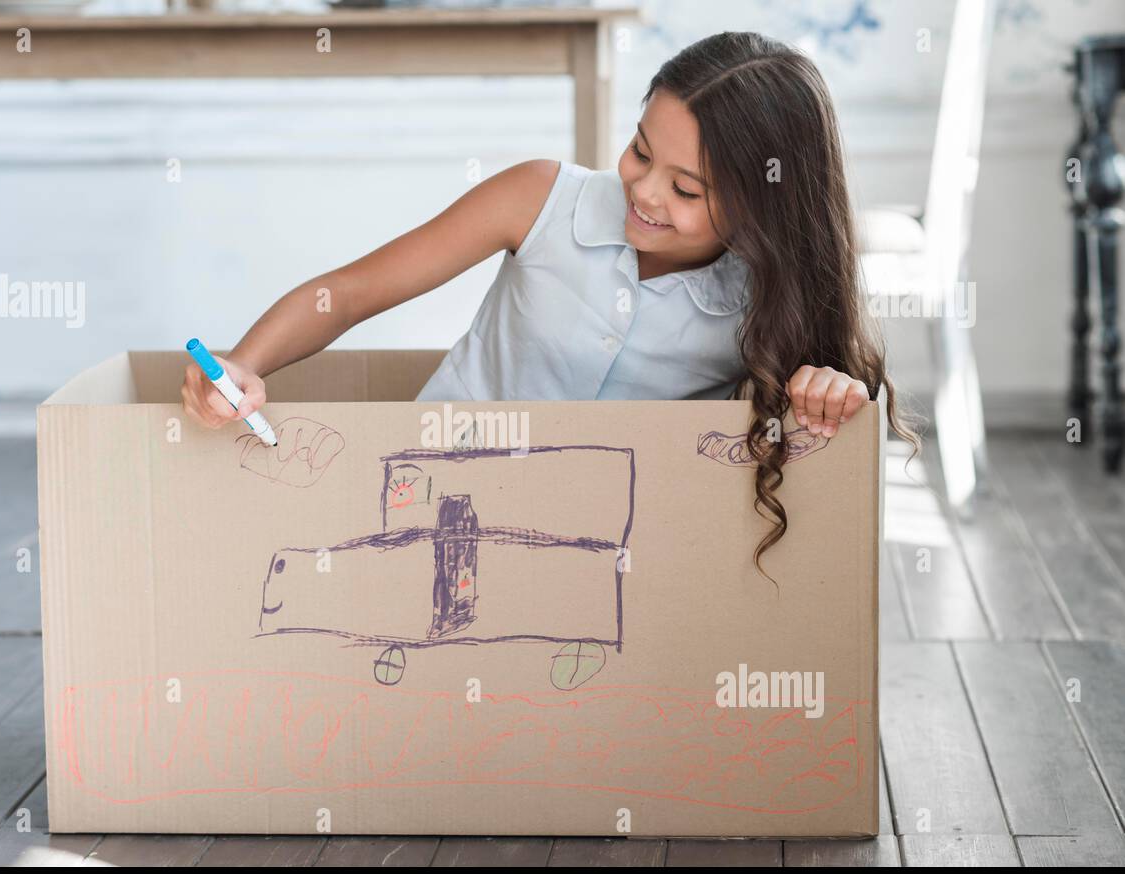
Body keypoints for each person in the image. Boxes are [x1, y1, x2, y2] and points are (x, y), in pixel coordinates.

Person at [182, 31, 921, 567]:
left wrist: (828, 393)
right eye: (639, 151)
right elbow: (343, 295)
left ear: (764, 207)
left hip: (605, 551)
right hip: (429, 499)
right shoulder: (542, 198)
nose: (644, 191)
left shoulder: (766, 296)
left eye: (686, 188)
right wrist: (243, 364)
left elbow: (820, 415)